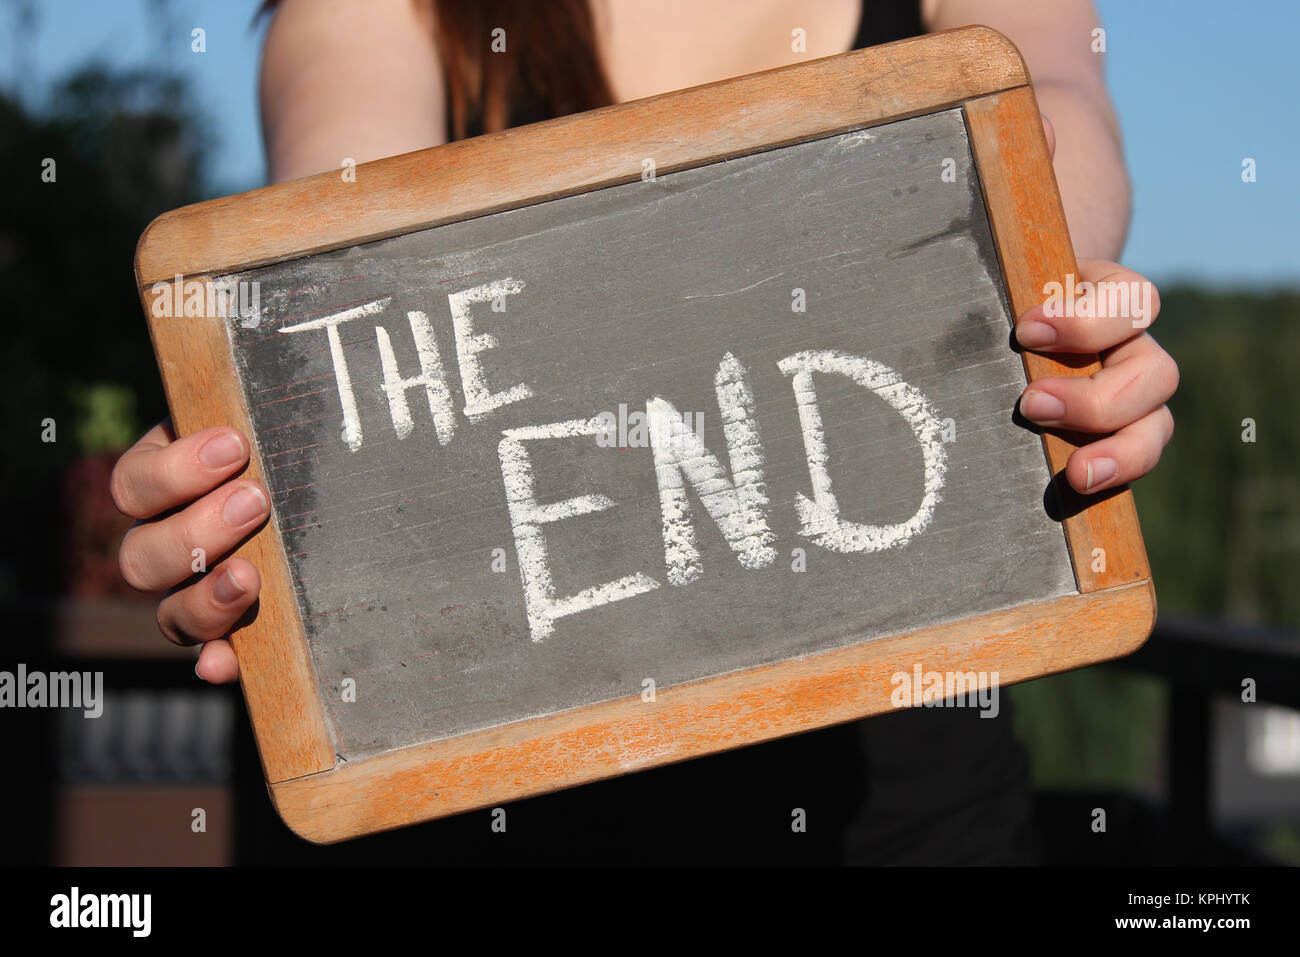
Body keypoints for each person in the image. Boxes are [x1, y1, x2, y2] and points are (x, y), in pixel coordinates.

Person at [111, 0, 1179, 864]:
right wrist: (261, 439)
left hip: (897, 823)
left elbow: (1052, 108)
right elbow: (335, 241)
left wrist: (1059, 295)